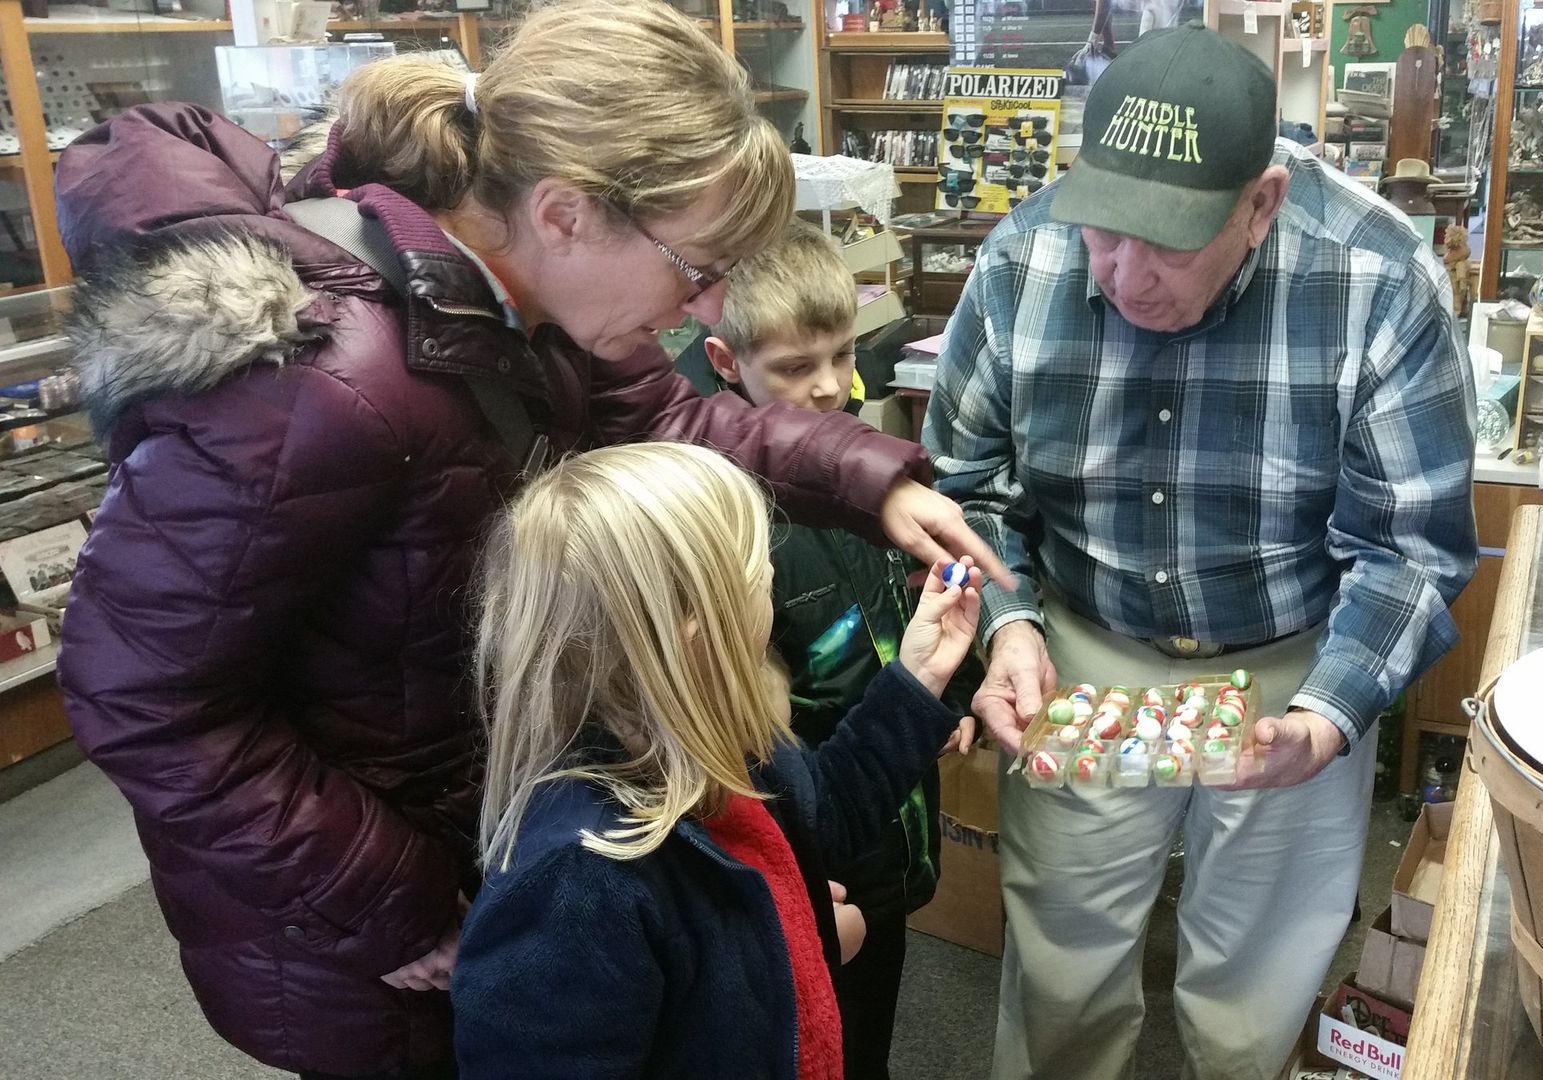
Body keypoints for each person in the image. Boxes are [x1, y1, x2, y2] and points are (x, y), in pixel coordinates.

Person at [50, 1, 1008, 1076]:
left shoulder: (532, 303)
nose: (708, 311)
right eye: (696, 268)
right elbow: (145, 698)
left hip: (507, 832)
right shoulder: (323, 389)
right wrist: (401, 905)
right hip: (385, 920)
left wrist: (873, 481)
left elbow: (675, 418)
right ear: (563, 213)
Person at [922, 26, 1477, 1080]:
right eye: (1106, 232)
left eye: (1170, 243)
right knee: (1062, 965)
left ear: (1261, 203)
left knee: (1255, 985)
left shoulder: (1377, 273)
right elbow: (967, 481)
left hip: (1293, 660)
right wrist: (1009, 626)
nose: (1127, 277)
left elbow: (1411, 543)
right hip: (1082, 645)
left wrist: (1326, 717)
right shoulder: (1022, 256)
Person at [451, 442, 979, 1077]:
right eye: (762, 580)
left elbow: (827, 817)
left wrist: (920, 676)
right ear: (698, 630)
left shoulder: (728, 749)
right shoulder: (572, 887)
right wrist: (790, 952)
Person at [678, 219, 984, 1079]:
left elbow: (901, 597)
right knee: (808, 1041)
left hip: (887, 803)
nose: (828, 387)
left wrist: (947, 696)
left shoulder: (859, 462)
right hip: (802, 835)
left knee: (868, 1029)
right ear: (725, 360)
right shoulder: (711, 509)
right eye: (793, 367)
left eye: (842, 355)